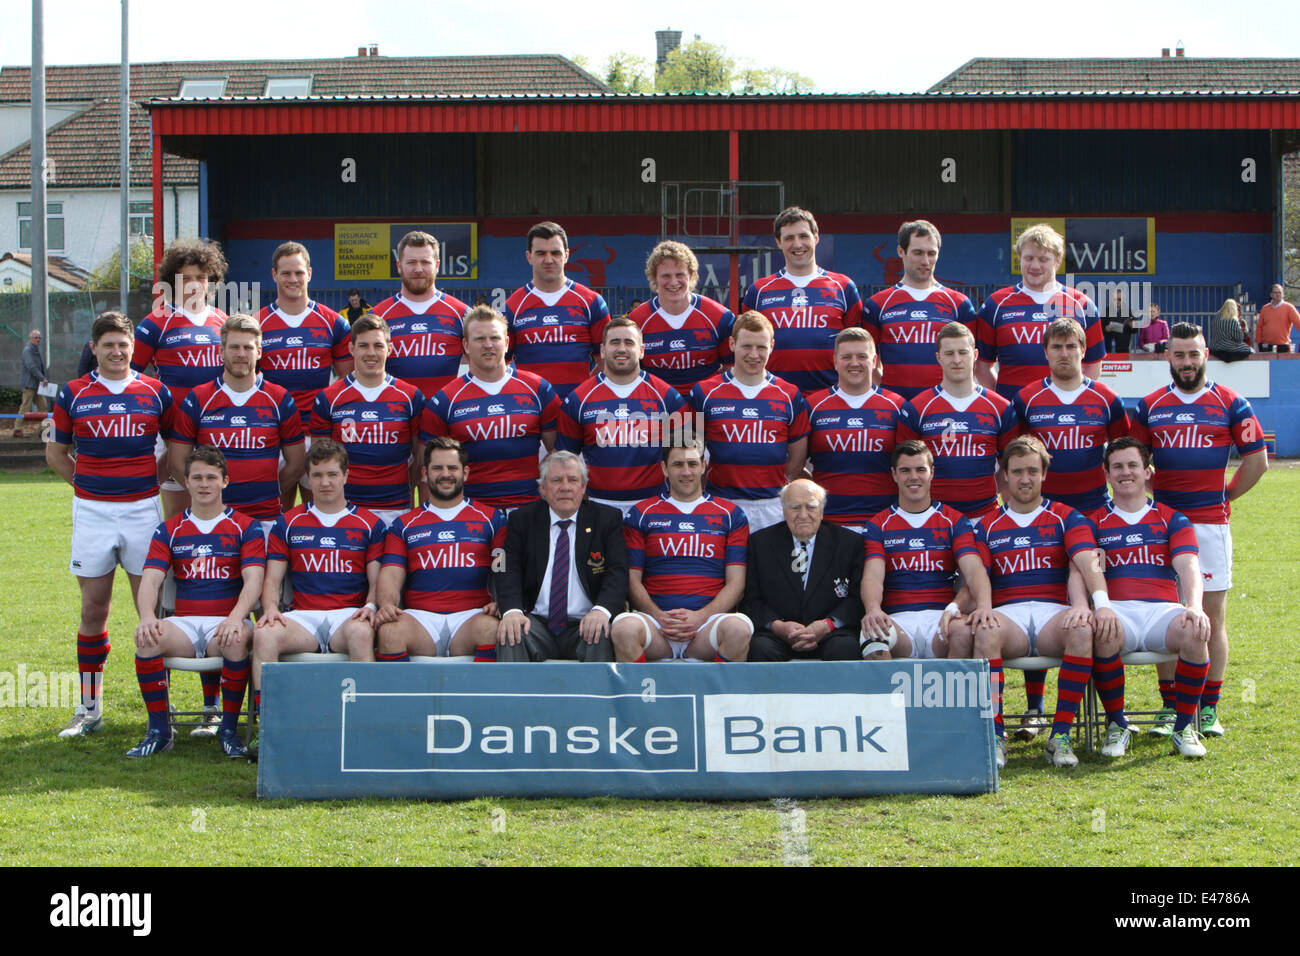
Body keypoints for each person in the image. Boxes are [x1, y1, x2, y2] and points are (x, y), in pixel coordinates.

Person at [1130, 322, 1267, 738]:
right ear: (1166, 357)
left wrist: (1223, 497)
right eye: (1179, 354)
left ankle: (1208, 708)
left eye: (1193, 354)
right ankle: (1172, 707)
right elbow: (1133, 467)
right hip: (1162, 528)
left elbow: (1256, 462)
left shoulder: (1231, 403)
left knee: (1211, 617)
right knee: (1167, 615)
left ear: (1206, 354)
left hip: (1210, 526)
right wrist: (1158, 494)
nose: (1186, 362)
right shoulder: (1148, 406)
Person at [47, 311, 174, 739]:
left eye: (124, 344)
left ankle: (160, 711)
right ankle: (89, 709)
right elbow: (56, 454)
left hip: (142, 510)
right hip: (93, 513)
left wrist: (144, 487)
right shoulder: (74, 393)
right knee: (93, 610)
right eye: (108, 345)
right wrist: (88, 489)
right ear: (94, 348)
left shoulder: (156, 392)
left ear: (133, 348)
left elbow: (174, 452)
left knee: (151, 612)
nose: (117, 351)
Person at [968, 435, 1118, 768]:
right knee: (984, 632)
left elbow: (1086, 559)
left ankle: (1060, 735)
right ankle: (995, 735)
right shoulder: (988, 525)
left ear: (1044, 474)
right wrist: (981, 606)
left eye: (1032, 471)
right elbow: (977, 573)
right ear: (1004, 475)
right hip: (1009, 615)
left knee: (1081, 631)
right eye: (1018, 471)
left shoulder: (1067, 516)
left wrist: (1099, 602)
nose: (1025, 479)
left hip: (1053, 613)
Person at [129, 445, 265, 759]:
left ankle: (228, 733)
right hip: (185, 623)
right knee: (147, 640)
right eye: (197, 477)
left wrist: (236, 617)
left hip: (226, 620)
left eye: (211, 477)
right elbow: (151, 579)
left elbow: (254, 581)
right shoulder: (170, 529)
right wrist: (147, 616)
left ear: (225, 481)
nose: (204, 484)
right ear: (186, 482)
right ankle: (159, 732)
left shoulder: (246, 526)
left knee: (236, 640)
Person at [252, 439, 385, 741]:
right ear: (308, 478)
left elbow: (377, 580)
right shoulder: (287, 522)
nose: (325, 482)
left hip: (348, 615)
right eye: (318, 475)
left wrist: (371, 605)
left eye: (332, 474)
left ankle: (363, 729)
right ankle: (270, 728)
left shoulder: (369, 523)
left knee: (362, 633)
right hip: (304, 616)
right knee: (263, 635)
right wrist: (271, 609)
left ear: (346, 476)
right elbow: (272, 579)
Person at [1087, 437, 1212, 758]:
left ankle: (1184, 727)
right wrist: (1101, 608)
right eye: (1117, 466)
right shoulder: (1094, 521)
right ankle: (1117, 725)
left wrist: (1194, 606)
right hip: (1117, 611)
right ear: (1106, 474)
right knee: (1101, 632)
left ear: (1148, 471)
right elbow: (1089, 571)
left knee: (1195, 631)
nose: (1125, 472)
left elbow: (1189, 567)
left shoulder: (1172, 518)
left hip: (1162, 611)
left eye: (1132, 465)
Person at [614, 441, 752, 662]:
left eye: (692, 463)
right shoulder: (641, 513)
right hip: (657, 624)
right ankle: (640, 695)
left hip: (707, 626)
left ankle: (719, 697)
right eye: (678, 464)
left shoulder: (731, 514)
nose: (686, 472)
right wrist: (659, 616)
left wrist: (700, 617)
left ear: (704, 465)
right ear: (664, 469)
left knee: (738, 629)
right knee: (624, 629)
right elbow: (631, 579)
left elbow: (736, 583)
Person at [860, 440, 993, 665]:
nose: (914, 477)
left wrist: (982, 606)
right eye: (905, 470)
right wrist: (873, 609)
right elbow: (873, 576)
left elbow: (974, 570)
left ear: (932, 472)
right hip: (898, 619)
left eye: (920, 469)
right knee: (872, 637)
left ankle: (952, 700)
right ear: (893, 474)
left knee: (963, 631)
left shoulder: (954, 520)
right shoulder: (878, 525)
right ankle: (893, 700)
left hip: (942, 618)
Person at [170, 314, 305, 534]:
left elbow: (297, 463)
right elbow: (177, 462)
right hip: (212, 518)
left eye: (248, 348)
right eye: (234, 347)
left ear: (259, 352)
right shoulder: (198, 398)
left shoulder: (279, 398)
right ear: (221, 351)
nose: (241, 354)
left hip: (265, 518)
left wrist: (268, 492)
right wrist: (205, 496)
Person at [374, 437, 506, 661]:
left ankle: (482, 697)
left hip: (471, 616)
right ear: (424, 473)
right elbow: (392, 572)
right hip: (420, 619)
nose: (445, 474)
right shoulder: (405, 524)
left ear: (465, 473)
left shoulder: (492, 519)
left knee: (492, 630)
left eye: (452, 468)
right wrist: (387, 604)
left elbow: (501, 569)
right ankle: (399, 697)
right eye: (438, 468)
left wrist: (501, 600)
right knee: (389, 632)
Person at [421, 306, 560, 512]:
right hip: (472, 514)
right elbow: (428, 472)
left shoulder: (539, 389)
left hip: (529, 512)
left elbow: (560, 452)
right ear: (466, 345)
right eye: (479, 339)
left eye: (495, 338)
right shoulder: (445, 400)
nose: (488, 345)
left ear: (506, 342)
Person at [495, 451, 628, 662]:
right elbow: (505, 569)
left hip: (586, 622)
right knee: (512, 633)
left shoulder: (607, 520)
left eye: (573, 480)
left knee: (600, 632)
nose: (565, 487)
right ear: (543, 488)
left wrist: (601, 610)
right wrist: (512, 611)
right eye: (556, 480)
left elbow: (618, 573)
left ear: (583, 487)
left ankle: (595, 696)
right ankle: (515, 695)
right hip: (535, 622)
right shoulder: (521, 520)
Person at [131, 237, 229, 518]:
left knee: (216, 512)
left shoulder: (223, 321)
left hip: (216, 432)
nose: (195, 284)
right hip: (172, 435)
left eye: (201, 277)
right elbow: (131, 380)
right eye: (187, 278)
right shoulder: (156, 323)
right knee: (178, 517)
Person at [255, 241, 352, 509]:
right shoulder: (258, 324)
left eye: (298, 272)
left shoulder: (333, 322)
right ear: (274, 275)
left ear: (309, 273)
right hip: (274, 433)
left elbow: (347, 384)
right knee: (277, 513)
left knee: (321, 513)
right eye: (285, 273)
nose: (293, 279)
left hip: (316, 433)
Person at [556, 317, 688, 515]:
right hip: (598, 507)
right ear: (602, 350)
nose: (621, 349)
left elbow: (689, 458)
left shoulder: (670, 397)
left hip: (653, 507)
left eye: (629, 342)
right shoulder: (577, 399)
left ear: (641, 350)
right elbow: (563, 460)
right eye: (614, 342)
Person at [897, 322, 1018, 525]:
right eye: (949, 353)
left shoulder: (1001, 408)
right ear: (938, 357)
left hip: (985, 516)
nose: (957, 360)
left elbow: (1011, 466)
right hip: (932, 516)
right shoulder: (917, 408)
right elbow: (904, 467)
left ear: (976, 355)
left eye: (963, 352)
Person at [309, 314, 424, 527]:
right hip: (344, 510)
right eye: (363, 345)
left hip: (395, 509)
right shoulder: (328, 398)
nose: (371, 353)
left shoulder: (410, 397)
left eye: (378, 345)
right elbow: (319, 459)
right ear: (351, 349)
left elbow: (419, 456)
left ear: (389, 349)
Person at [741, 206, 863, 396]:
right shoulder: (758, 291)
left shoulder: (843, 287)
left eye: (803, 236)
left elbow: (857, 345)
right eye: (789, 238)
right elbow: (746, 346)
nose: (797, 244)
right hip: (773, 397)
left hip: (830, 396)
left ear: (816, 237)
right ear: (778, 242)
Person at [976, 223, 1105, 400]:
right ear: (1020, 258)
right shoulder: (996, 304)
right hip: (1014, 417)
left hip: (1061, 415)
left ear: (1058, 260)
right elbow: (982, 365)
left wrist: (1073, 400)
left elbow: (1093, 364)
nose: (1035, 266)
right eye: (1029, 258)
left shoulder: (1082, 305)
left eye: (1043, 259)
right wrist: (1001, 405)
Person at [1014, 318, 1129, 514]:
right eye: (1057, 347)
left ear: (1083, 350)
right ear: (1045, 352)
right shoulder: (1026, 399)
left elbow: (1125, 455)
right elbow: (1013, 458)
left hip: (1095, 509)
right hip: (1042, 510)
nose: (1064, 354)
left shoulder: (1108, 399)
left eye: (1071, 346)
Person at [742, 478, 865, 661]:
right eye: (795, 507)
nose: (803, 514)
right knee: (760, 649)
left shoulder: (850, 543)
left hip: (831, 632)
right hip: (778, 634)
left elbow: (857, 599)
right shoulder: (759, 543)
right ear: (783, 511)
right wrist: (777, 626)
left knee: (845, 649)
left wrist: (827, 625)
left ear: (822, 511)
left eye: (811, 506)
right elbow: (751, 600)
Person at [862, 220, 977, 400]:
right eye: (918, 253)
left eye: (931, 253)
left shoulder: (959, 304)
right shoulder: (878, 304)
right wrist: (885, 397)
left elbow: (973, 362)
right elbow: (867, 363)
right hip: (895, 407)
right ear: (901, 251)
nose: (925, 261)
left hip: (944, 407)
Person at [806, 328, 905, 532]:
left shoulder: (897, 406)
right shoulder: (813, 406)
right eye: (846, 357)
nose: (854, 363)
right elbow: (795, 466)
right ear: (834, 361)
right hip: (828, 523)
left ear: (875, 360)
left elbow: (907, 468)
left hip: (883, 524)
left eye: (862, 356)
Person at [504, 221, 612, 399]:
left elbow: (605, 361)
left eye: (555, 253)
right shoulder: (512, 306)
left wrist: (583, 393)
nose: (548, 260)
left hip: (577, 411)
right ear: (529, 257)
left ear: (567, 255)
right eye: (540, 253)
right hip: (532, 411)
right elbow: (500, 365)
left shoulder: (591, 302)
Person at [371, 230, 470, 401]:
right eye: (411, 262)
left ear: (437, 265)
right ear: (399, 265)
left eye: (425, 262)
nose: (418, 269)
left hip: (444, 420)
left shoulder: (462, 314)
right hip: (395, 418)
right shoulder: (378, 316)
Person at [629, 241, 736, 396]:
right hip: (658, 408)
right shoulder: (637, 320)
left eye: (680, 275)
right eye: (666, 276)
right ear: (654, 278)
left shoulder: (719, 316)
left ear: (691, 275)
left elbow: (730, 367)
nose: (673, 282)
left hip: (705, 408)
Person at [15, 329, 47, 438]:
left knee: (43, 407)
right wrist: (42, 378)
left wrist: (41, 379)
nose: (38, 340)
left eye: (39, 338)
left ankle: (43, 430)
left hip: (38, 384)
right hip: (29, 385)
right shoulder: (28, 351)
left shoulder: (36, 350)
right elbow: (31, 367)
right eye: (36, 337)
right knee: (25, 407)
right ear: (30, 339)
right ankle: (17, 429)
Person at [1253, 284, 1300, 353]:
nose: (1277, 294)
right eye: (1275, 292)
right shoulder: (1265, 308)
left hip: (1283, 346)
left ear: (1283, 294)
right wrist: (1259, 342)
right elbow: (1259, 327)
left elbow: (1298, 322)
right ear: (1271, 294)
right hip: (1267, 346)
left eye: (1279, 292)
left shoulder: (1289, 308)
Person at [1103, 287, 1137, 354]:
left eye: (1119, 299)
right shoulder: (1105, 311)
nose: (1117, 301)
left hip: (1123, 346)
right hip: (1109, 346)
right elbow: (1101, 328)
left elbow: (1135, 330)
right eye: (1115, 299)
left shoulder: (1129, 312)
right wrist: (1106, 328)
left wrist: (1133, 326)